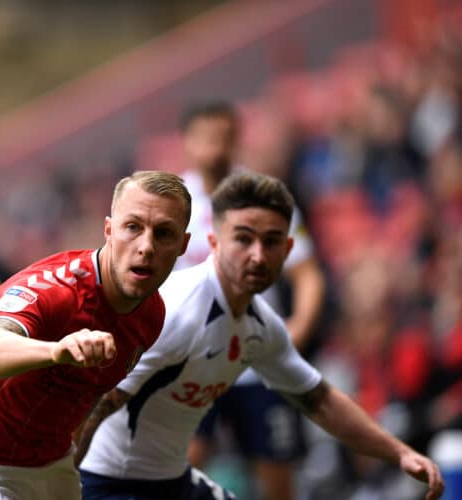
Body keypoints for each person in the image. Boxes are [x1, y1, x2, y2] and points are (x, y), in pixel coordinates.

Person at [75, 171, 445, 500]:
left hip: (173, 482)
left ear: (287, 251)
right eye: (243, 239)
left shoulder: (260, 325)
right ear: (214, 241)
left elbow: (320, 401)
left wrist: (399, 452)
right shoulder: (172, 312)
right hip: (107, 484)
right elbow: (93, 403)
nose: (257, 255)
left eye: (270, 242)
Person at [0, 170, 192, 499]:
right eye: (132, 227)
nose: (146, 247)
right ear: (108, 230)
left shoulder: (152, 316)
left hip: (48, 466)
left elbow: (89, 399)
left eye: (163, 234)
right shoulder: (54, 289)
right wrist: (56, 351)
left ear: (183, 245)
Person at [175, 100, 325, 500]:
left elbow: (307, 272)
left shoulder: (264, 195)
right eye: (206, 136)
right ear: (187, 142)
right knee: (181, 464)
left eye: (224, 136)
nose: (216, 146)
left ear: (237, 138)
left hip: (257, 358)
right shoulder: (172, 204)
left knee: (277, 472)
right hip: (194, 359)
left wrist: (298, 330)